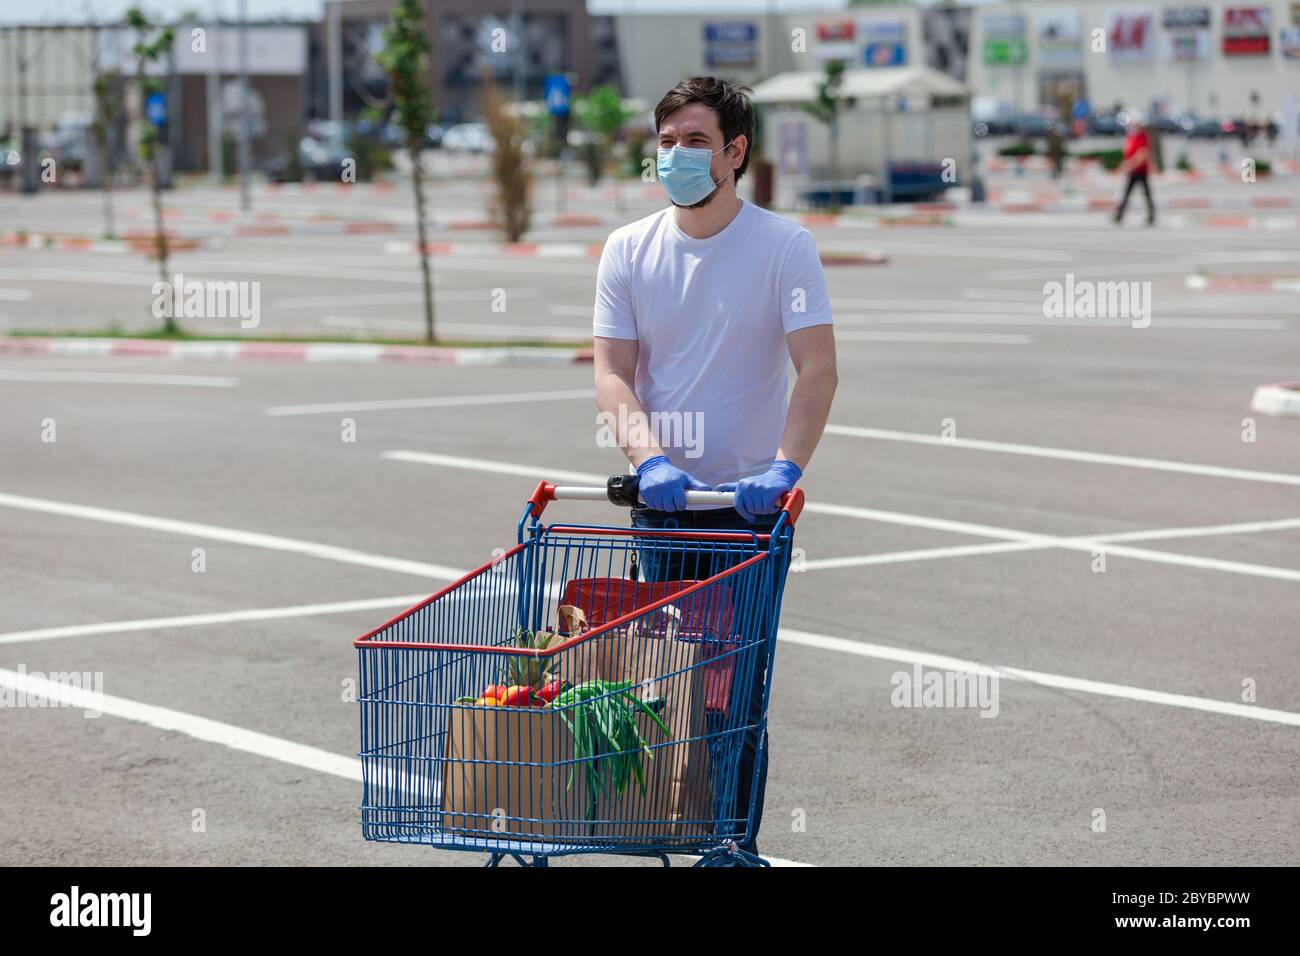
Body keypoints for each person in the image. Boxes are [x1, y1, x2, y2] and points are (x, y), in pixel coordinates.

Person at [592, 77, 838, 861]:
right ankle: (674, 828)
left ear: (734, 152)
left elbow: (819, 369)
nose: (675, 156)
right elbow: (612, 374)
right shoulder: (628, 249)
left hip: (748, 514)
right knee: (669, 690)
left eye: (694, 142)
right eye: (665, 143)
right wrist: (647, 456)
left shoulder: (783, 247)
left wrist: (784, 469)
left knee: (737, 693)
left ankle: (732, 844)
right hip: (663, 508)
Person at [1115, 117, 1155, 226]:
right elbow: (1128, 152)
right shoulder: (1132, 137)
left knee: (1146, 194)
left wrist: (1131, 164)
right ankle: (1119, 215)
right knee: (1127, 194)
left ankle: (1151, 216)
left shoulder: (1142, 137)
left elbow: (1142, 154)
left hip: (1140, 171)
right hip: (1133, 171)